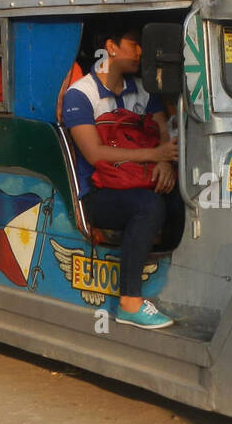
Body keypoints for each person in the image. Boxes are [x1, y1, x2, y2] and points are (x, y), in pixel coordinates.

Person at [62, 25, 182, 329]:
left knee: (186, 200)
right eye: (134, 44)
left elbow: (162, 129)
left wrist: (165, 162)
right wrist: (155, 156)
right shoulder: (81, 94)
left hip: (139, 178)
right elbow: (95, 153)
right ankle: (129, 302)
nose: (141, 52)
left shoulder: (143, 88)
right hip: (97, 193)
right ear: (111, 47)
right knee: (149, 206)